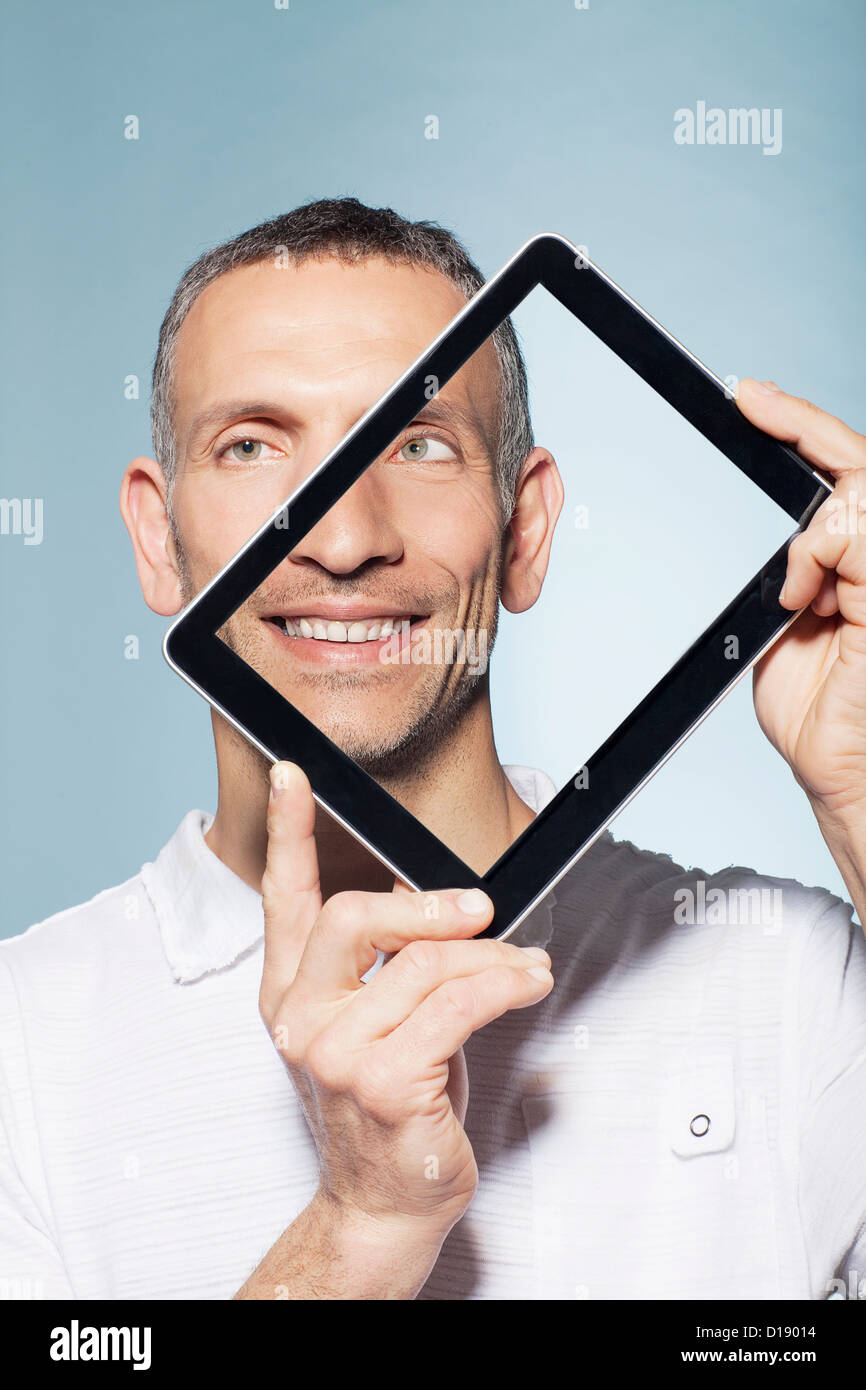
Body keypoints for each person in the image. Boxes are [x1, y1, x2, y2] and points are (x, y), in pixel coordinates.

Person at [1, 198, 865, 1301]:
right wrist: (359, 1227)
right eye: (253, 445)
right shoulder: (18, 1048)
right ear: (156, 542)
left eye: (417, 442)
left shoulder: (787, 979)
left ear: (526, 528)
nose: (345, 537)